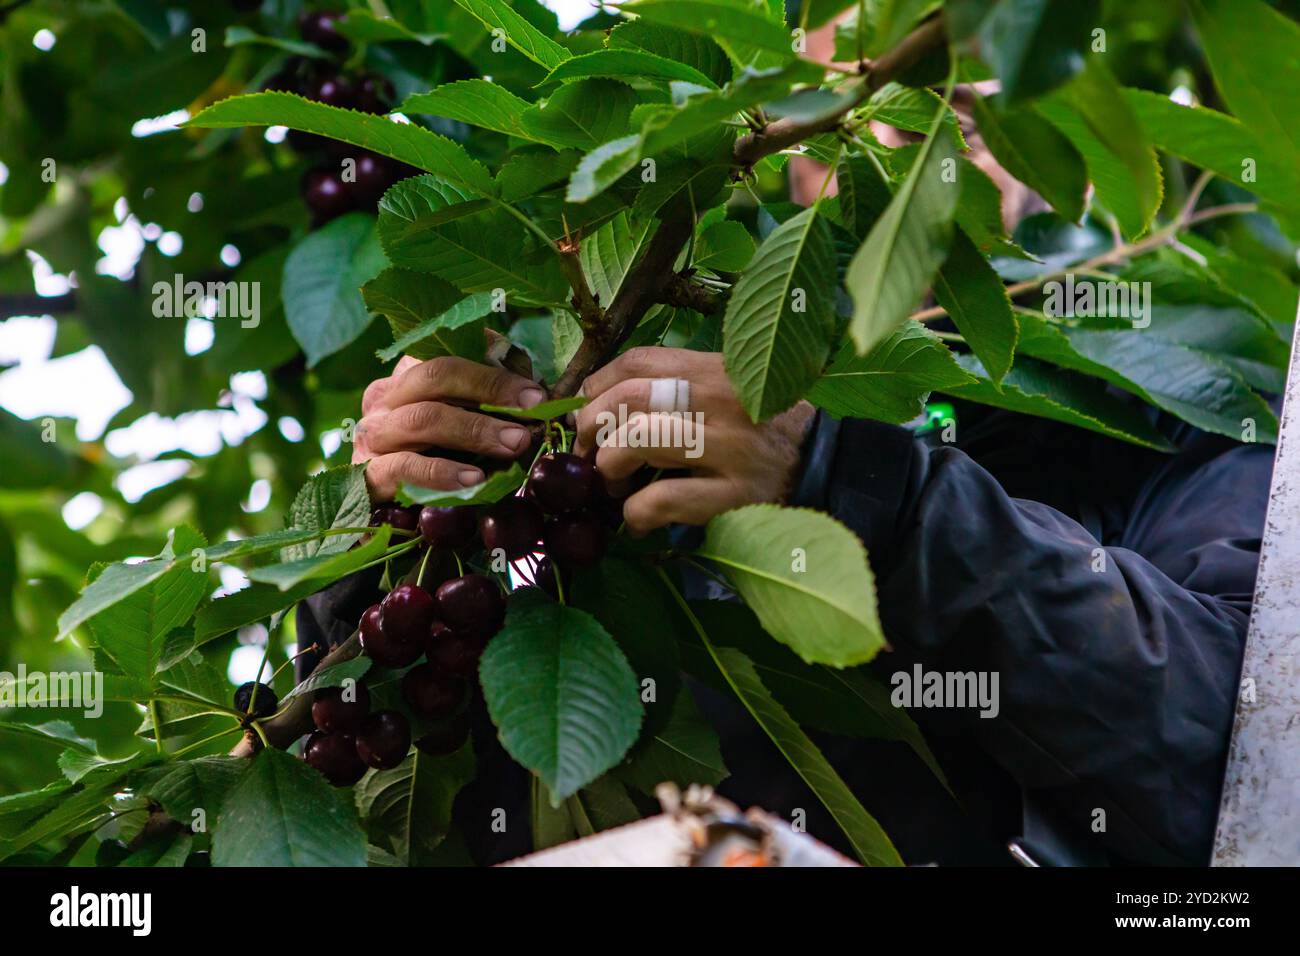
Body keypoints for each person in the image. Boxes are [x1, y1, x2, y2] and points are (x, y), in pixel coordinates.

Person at [298, 36, 1273, 865]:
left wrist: (865, 489)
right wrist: (382, 568)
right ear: (794, 152)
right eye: (859, 97)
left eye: (964, 112)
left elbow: (1242, 758)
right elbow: (459, 808)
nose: (915, 138)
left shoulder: (1173, 409)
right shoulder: (653, 433)